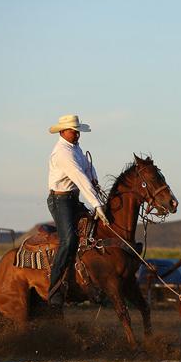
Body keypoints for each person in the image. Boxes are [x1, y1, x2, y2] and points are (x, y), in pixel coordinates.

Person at [46, 114, 109, 306]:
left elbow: (88, 168)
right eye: (74, 131)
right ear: (63, 132)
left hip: (72, 199)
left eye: (77, 131)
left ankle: (89, 279)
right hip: (60, 201)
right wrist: (97, 204)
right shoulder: (63, 153)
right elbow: (80, 178)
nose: (77, 134)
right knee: (69, 239)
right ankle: (54, 288)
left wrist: (95, 180)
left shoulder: (75, 149)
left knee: (93, 230)